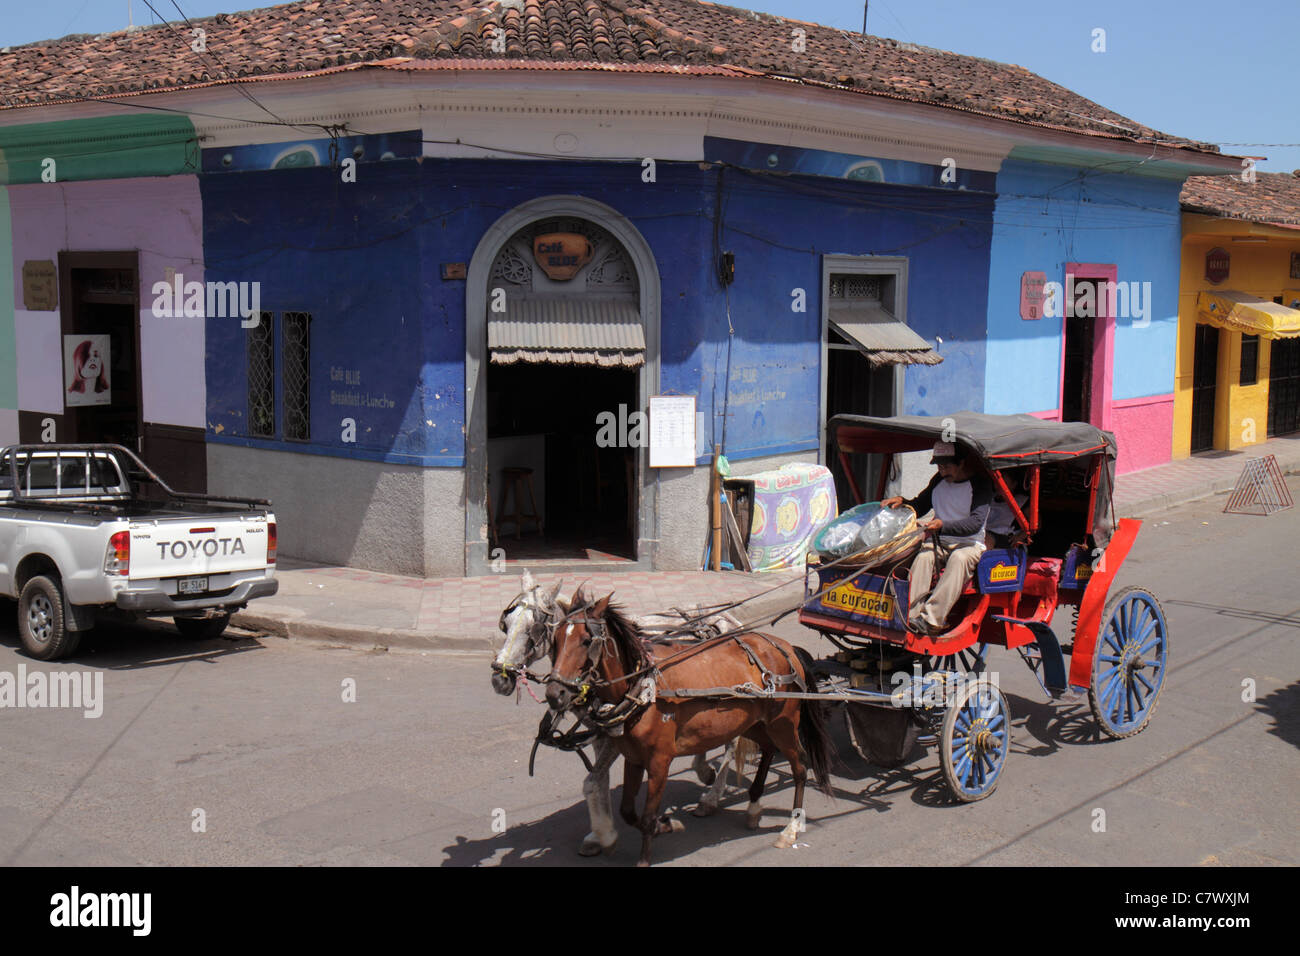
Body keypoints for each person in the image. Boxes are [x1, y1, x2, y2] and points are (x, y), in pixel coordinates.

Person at [882, 440, 991, 636]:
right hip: (941, 541)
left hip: (970, 544)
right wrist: (903, 503)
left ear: (962, 463)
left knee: (959, 559)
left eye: (947, 466)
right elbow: (921, 504)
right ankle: (911, 615)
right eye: (939, 466)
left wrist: (942, 526)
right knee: (923, 558)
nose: (942, 471)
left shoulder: (980, 485)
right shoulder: (938, 481)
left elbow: (975, 523)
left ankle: (932, 619)